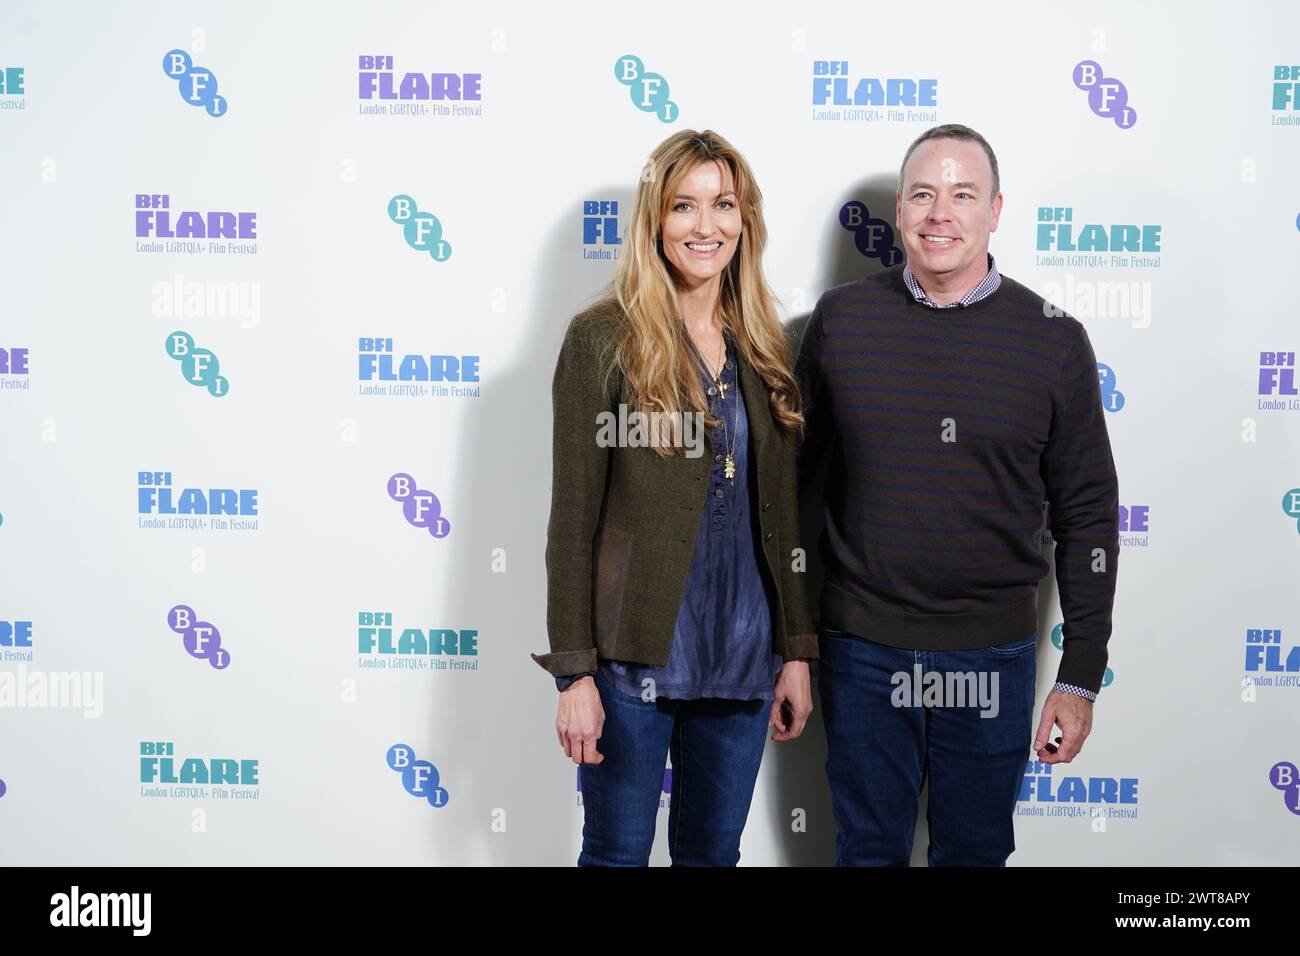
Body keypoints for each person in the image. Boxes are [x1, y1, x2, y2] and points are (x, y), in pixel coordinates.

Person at [796, 123, 1120, 866]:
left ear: (996, 211)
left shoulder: (1054, 341)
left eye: (963, 195)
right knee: (867, 852)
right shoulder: (842, 322)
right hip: (862, 650)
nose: (940, 213)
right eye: (922, 194)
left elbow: (1089, 517)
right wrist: (791, 642)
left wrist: (1080, 676)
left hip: (991, 655)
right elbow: (793, 490)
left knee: (974, 854)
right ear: (899, 211)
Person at [531, 129, 817, 867]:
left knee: (713, 857)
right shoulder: (602, 338)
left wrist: (795, 651)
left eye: (723, 204)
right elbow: (572, 522)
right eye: (684, 206)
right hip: (633, 659)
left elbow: (783, 515)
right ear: (655, 220)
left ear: (744, 219)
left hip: (744, 653)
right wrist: (575, 673)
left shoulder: (765, 343)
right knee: (617, 854)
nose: (705, 225)